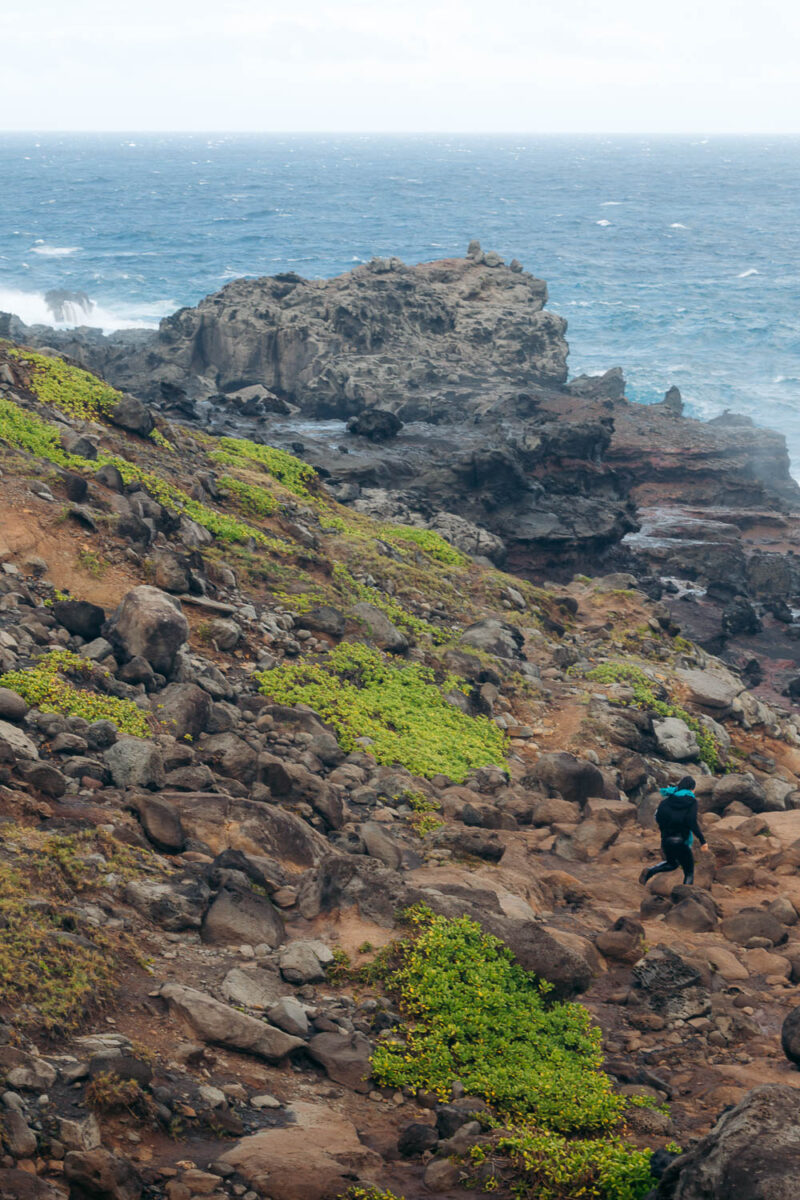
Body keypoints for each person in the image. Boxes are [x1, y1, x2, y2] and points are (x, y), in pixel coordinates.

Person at [639, 775, 709, 887]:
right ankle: (685, 897)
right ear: (692, 789)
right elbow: (691, 822)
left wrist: (666, 830)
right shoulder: (691, 801)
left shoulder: (667, 801)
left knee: (672, 864)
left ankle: (650, 871)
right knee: (689, 871)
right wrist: (702, 841)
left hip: (666, 839)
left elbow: (658, 817)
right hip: (681, 841)